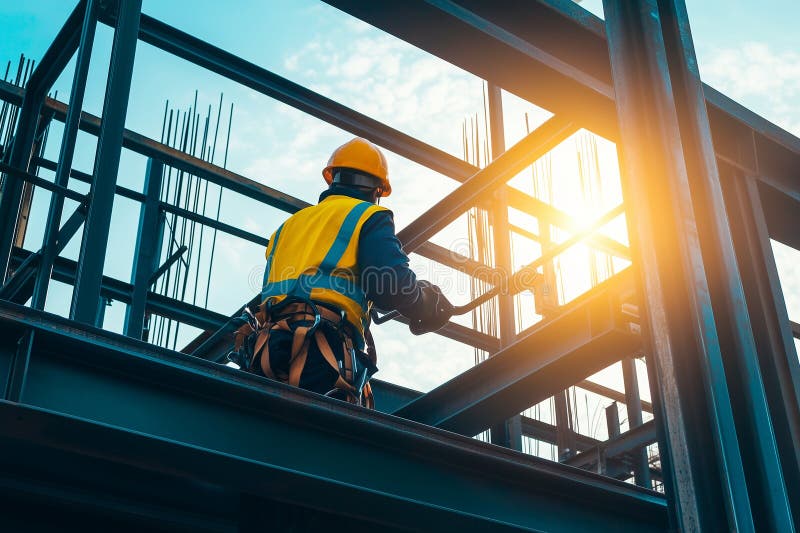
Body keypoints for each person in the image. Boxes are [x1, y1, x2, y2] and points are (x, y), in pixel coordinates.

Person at [233, 137, 453, 408]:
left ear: (333, 180)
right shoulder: (369, 215)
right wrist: (425, 303)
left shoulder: (288, 226)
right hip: (319, 354)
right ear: (378, 190)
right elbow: (391, 286)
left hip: (267, 354)